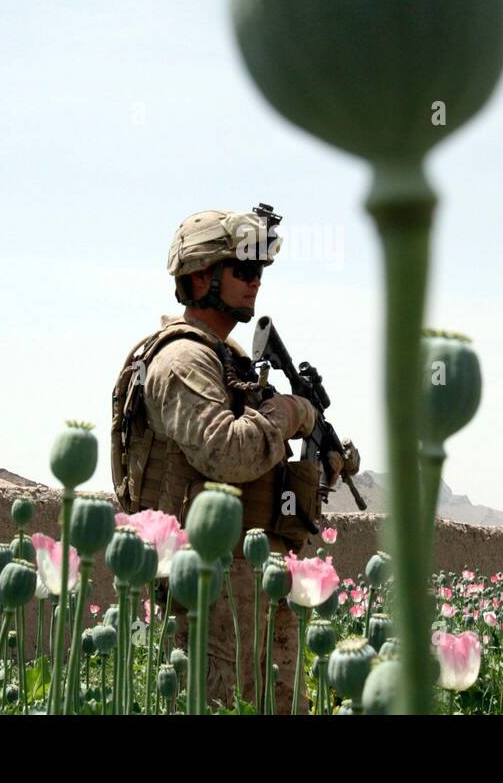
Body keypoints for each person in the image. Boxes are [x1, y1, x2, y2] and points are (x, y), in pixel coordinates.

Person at [111, 206, 360, 712]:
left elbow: (262, 474)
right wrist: (292, 412)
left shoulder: (228, 360)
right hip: (214, 581)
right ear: (201, 276)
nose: (256, 284)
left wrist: (324, 457)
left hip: (253, 579)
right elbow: (227, 454)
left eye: (260, 272)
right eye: (244, 271)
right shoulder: (184, 361)